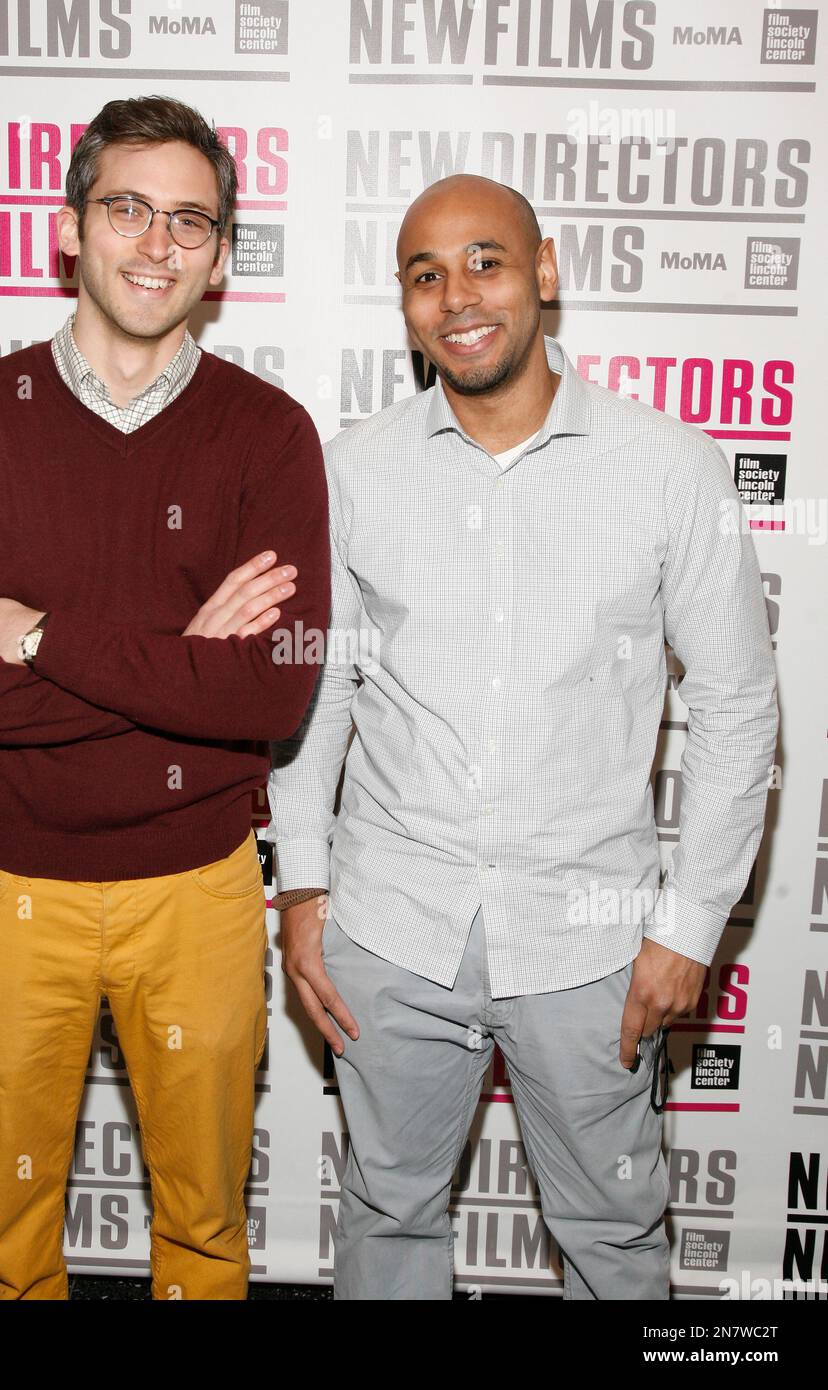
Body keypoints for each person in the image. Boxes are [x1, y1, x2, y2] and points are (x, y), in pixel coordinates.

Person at [266, 174, 778, 1300]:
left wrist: (688, 927)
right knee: (384, 1214)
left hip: (590, 944)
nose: (457, 295)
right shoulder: (352, 471)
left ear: (543, 273)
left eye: (485, 261)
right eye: (423, 274)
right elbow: (319, 690)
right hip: (391, 929)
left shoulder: (668, 467)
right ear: (403, 306)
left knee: (612, 1233)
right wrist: (303, 890)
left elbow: (738, 704)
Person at [0, 95, 330, 1301]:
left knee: (201, 1233)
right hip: (8, 891)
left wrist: (38, 637)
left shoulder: (269, 434)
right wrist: (181, 659)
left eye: (190, 220)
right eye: (126, 208)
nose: (156, 243)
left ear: (224, 256)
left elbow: (276, 688)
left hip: (199, 894)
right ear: (69, 230)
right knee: (6, 1244)